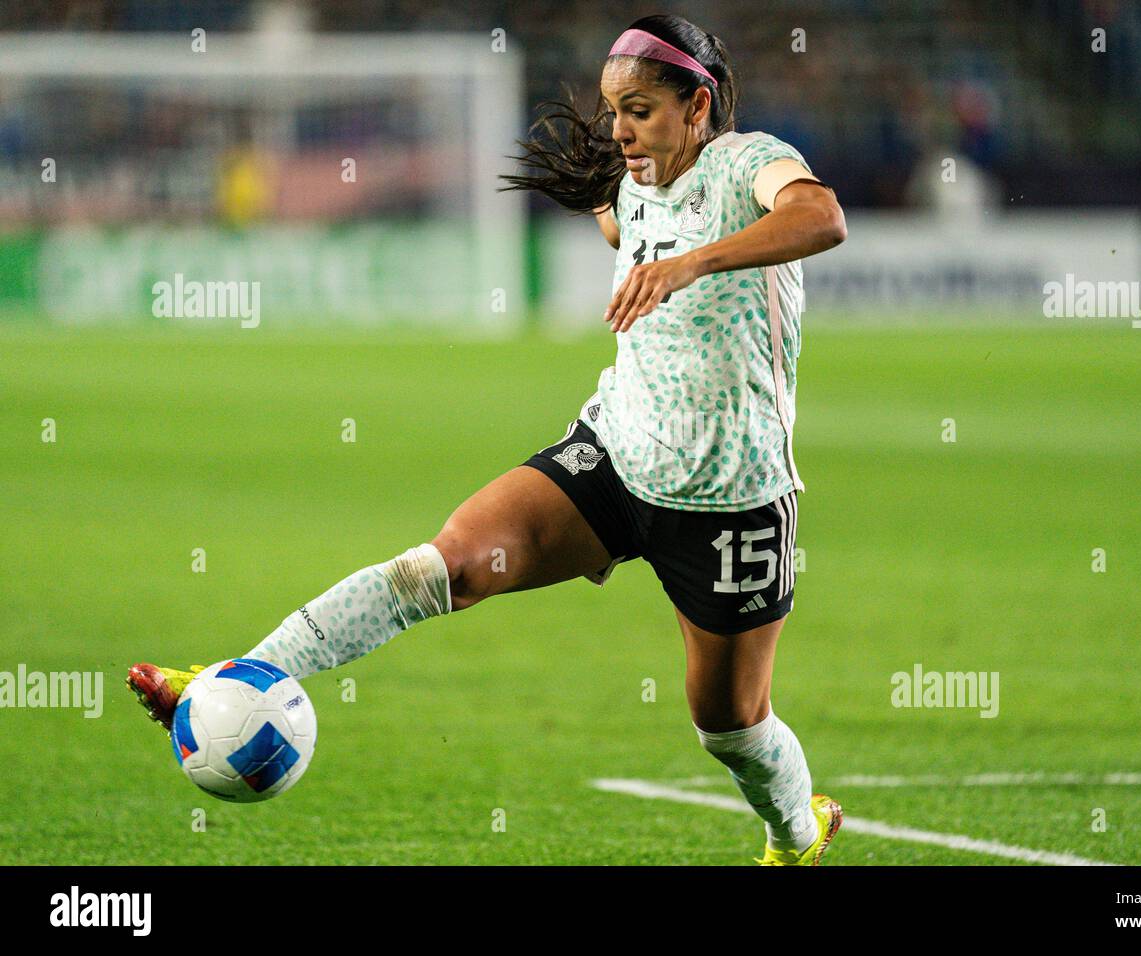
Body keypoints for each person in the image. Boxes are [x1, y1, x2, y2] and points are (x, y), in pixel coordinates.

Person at [129, 13, 848, 866]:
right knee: (445, 566)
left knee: (728, 726)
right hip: (613, 457)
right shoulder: (632, 187)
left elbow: (823, 218)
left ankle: (796, 835)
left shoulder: (744, 162)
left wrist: (690, 263)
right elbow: (625, 225)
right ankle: (234, 678)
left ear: (700, 106)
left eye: (641, 110)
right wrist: (609, 204)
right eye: (614, 108)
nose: (619, 129)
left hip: (732, 500)